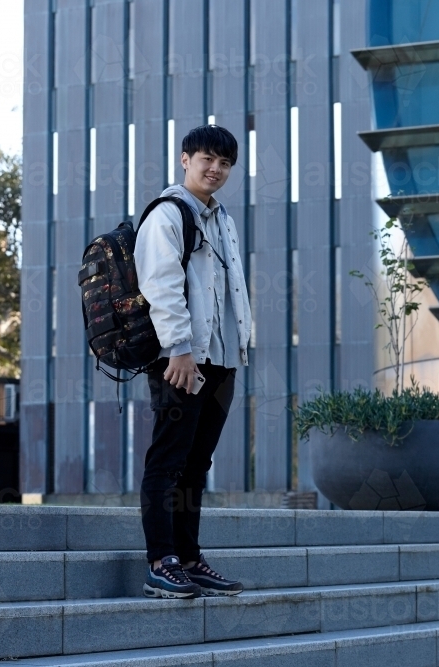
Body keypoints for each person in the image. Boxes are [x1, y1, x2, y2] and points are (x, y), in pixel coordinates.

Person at [135, 124, 252, 599]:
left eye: (225, 163)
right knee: (168, 461)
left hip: (221, 359)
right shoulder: (168, 214)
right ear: (185, 159)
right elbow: (160, 285)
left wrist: (238, 347)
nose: (216, 169)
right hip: (181, 359)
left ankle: (189, 558)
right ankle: (160, 561)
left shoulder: (223, 219)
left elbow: (230, 290)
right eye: (207, 159)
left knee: (196, 463)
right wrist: (179, 349)